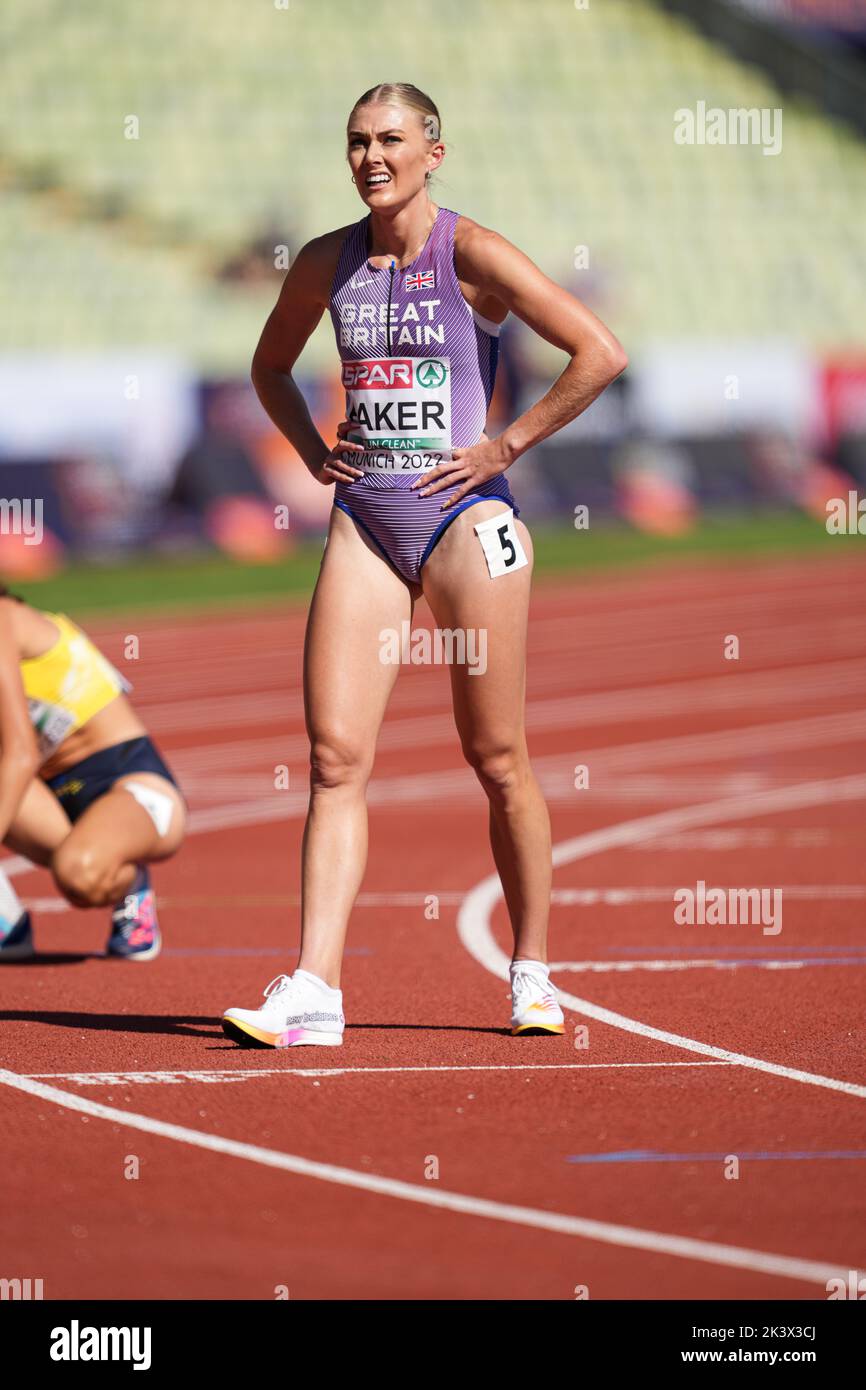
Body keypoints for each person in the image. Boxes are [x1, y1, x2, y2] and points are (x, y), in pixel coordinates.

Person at [223, 82, 627, 1047]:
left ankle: (531, 971)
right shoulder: (328, 260)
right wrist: (316, 449)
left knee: (496, 759)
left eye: (391, 141)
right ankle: (316, 987)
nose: (371, 157)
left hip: (464, 525)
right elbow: (269, 365)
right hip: (366, 520)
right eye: (358, 141)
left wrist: (505, 445)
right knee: (333, 761)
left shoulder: (472, 253)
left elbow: (598, 351)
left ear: (433, 153)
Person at [0, 588, 186, 960]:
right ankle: (8, 921)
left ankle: (132, 883)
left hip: (131, 783)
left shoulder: (4, 618)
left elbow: (20, 753)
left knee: (79, 875)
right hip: (51, 794)